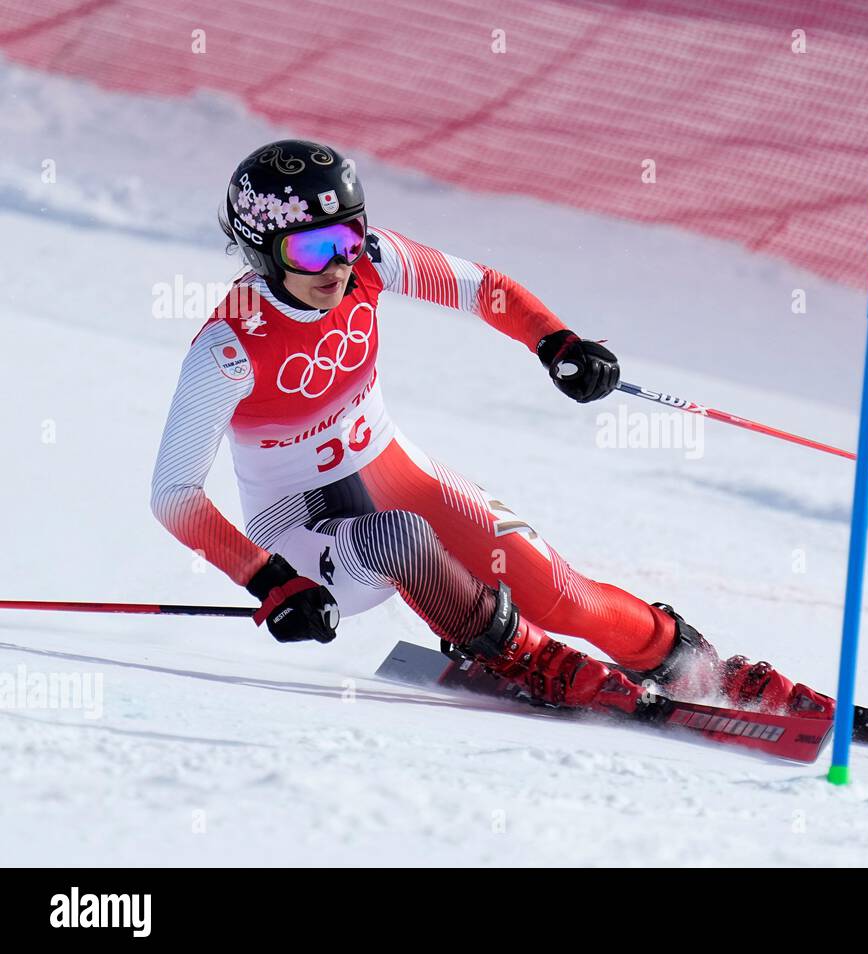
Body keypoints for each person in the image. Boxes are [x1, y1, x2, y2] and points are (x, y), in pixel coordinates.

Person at [151, 139, 832, 717]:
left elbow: (481, 287)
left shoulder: (370, 263)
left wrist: (555, 341)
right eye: (313, 248)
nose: (337, 264)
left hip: (391, 469)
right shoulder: (229, 348)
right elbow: (174, 492)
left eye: (349, 236)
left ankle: (699, 670)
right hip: (302, 534)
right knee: (401, 537)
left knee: (561, 592)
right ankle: (522, 656)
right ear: (263, 250)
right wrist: (269, 579)